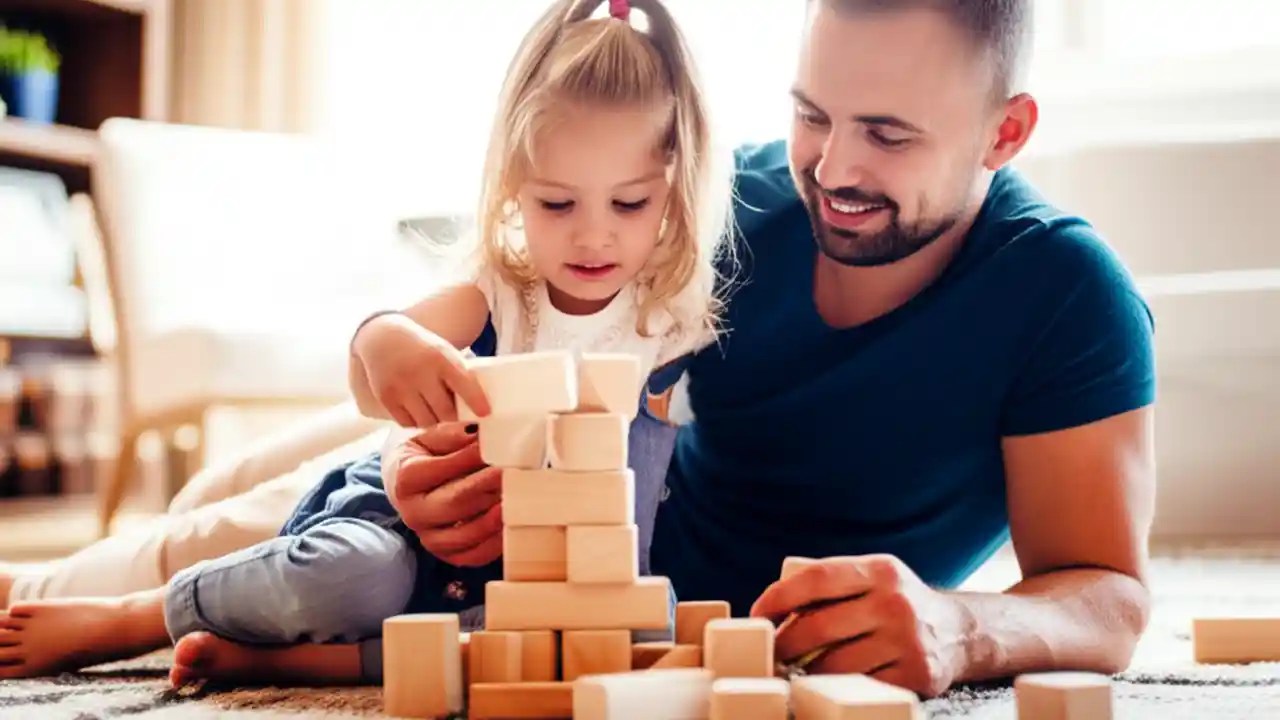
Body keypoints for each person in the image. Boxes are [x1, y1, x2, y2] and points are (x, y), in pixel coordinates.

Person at [377, 0, 1157, 699]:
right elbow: (514, 317)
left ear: (1006, 132)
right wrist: (410, 461)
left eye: (888, 134)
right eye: (813, 116)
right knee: (280, 517)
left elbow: (1109, 597)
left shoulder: (1065, 293)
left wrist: (959, 626)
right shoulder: (718, 206)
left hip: (718, 650)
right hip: (584, 575)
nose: (833, 168)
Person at [0, 0, 730, 685]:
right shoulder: (503, 293)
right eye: (558, 202)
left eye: (629, 203)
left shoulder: (671, 326)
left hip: (538, 587)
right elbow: (370, 361)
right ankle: (137, 618)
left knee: (604, 638)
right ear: (512, 184)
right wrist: (385, 341)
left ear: (673, 186)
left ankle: (274, 663)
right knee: (359, 578)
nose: (594, 233)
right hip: (401, 539)